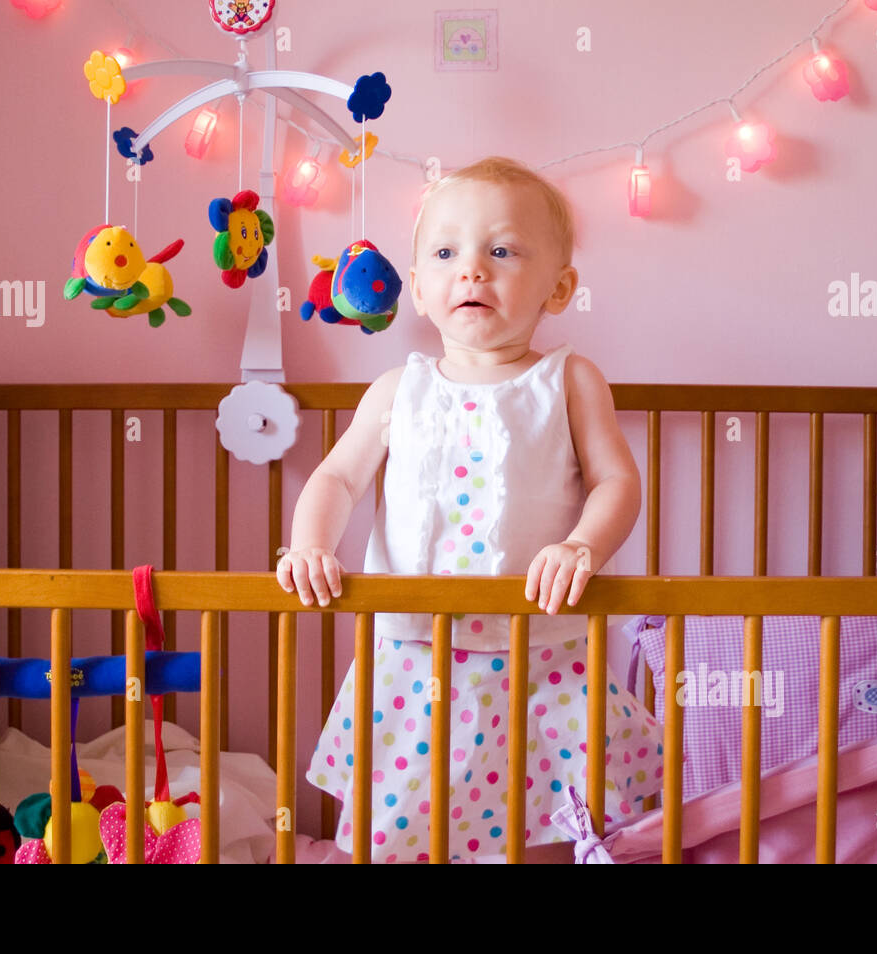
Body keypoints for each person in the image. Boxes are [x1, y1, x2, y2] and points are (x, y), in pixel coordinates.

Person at [278, 156, 662, 862]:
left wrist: (581, 547)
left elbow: (618, 481)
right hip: (411, 652)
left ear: (559, 288)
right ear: (418, 289)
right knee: (397, 832)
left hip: (543, 655)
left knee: (549, 824)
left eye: (503, 250)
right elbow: (336, 477)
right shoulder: (400, 388)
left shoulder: (569, 380)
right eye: (447, 253)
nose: (473, 270)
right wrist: (310, 545)